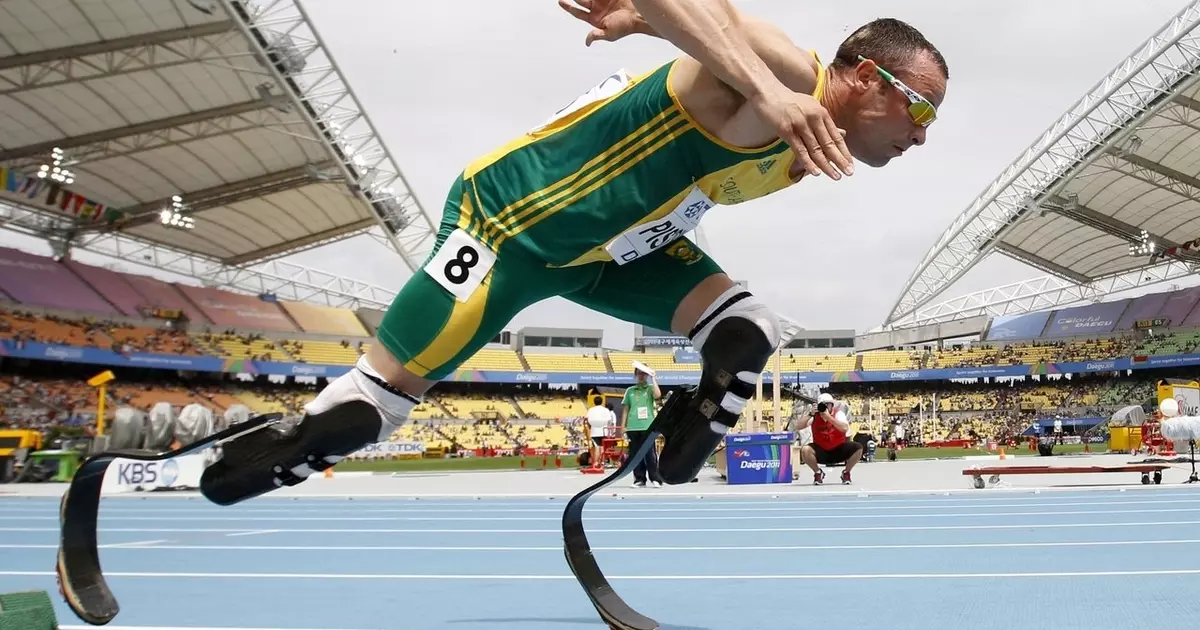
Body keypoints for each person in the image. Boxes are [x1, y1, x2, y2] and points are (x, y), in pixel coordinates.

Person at [197, 0, 949, 505]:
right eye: (918, 108)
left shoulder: (802, 140)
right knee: (381, 398)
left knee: (744, 324)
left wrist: (652, 24)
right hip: (506, 222)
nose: (921, 136)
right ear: (862, 77)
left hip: (608, 252)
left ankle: (705, 384)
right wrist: (764, 87)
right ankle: (272, 449)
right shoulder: (791, 79)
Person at [795, 393, 863, 485]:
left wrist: (829, 418)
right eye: (823, 405)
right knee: (805, 449)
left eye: (828, 404)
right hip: (821, 450)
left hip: (838, 449)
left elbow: (844, 428)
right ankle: (818, 472)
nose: (826, 407)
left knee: (858, 447)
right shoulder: (815, 416)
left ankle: (846, 472)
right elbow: (798, 426)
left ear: (832, 405)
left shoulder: (838, 414)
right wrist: (810, 414)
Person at [621, 364, 663, 487]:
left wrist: (653, 378)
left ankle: (655, 479)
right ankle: (639, 479)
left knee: (650, 454)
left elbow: (658, 395)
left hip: (647, 425)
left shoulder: (650, 388)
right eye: (639, 373)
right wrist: (623, 426)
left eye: (644, 373)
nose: (641, 376)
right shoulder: (630, 391)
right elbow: (625, 409)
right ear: (636, 374)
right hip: (633, 426)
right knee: (635, 455)